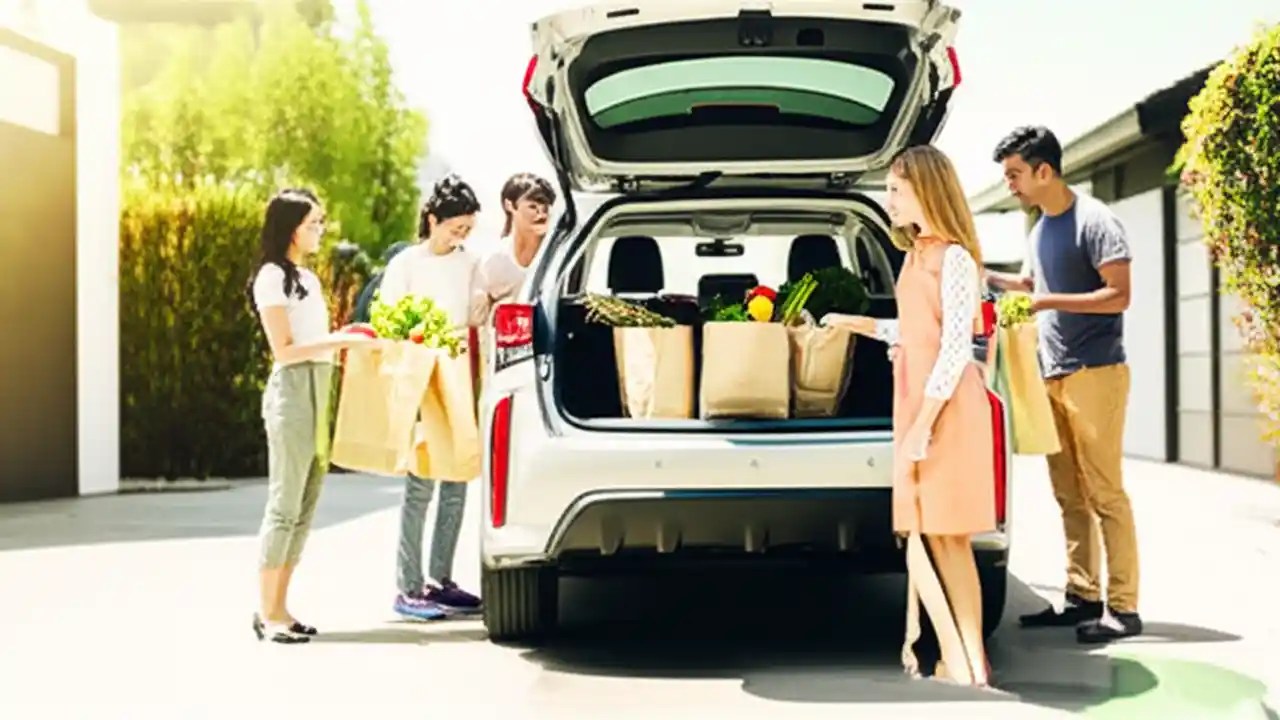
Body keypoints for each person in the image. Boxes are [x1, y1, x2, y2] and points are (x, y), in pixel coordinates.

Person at [822, 145, 996, 686]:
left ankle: (972, 664)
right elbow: (915, 334)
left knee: (951, 535)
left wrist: (923, 425)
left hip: (945, 407)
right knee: (932, 533)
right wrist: (853, 323)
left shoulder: (957, 259)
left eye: (896, 189)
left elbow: (952, 348)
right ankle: (957, 656)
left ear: (926, 188)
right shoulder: (914, 254)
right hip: (917, 402)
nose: (888, 199)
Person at [986, 126, 1141, 643]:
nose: (1010, 184)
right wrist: (980, 272)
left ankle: (1123, 607)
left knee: (1104, 493)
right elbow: (1033, 285)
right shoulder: (1039, 229)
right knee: (1068, 493)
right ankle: (1082, 596)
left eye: (1014, 174)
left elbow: (1118, 295)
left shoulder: (1096, 221)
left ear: (1043, 171)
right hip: (1051, 373)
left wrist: (1047, 303)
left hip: (1095, 372)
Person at [247, 188, 372, 644]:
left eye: (322, 221)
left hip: (319, 388)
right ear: (290, 228)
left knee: (305, 505)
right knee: (283, 506)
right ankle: (268, 613)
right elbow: (284, 350)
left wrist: (349, 337)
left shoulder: (307, 278)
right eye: (313, 223)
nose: (321, 230)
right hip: (293, 393)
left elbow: (315, 340)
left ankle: (281, 607)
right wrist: (342, 340)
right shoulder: (270, 278)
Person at [378, 175, 488, 620]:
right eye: (455, 228)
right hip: (420, 378)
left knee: (457, 482)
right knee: (420, 485)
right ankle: (407, 586)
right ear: (432, 220)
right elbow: (389, 319)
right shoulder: (407, 263)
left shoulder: (470, 263)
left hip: (459, 376)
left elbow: (477, 312)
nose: (461, 237)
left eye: (467, 230)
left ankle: (441, 580)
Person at [475, 172, 557, 308]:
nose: (541, 214)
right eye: (533, 207)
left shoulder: (557, 256)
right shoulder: (495, 261)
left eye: (545, 208)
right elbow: (480, 317)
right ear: (510, 206)